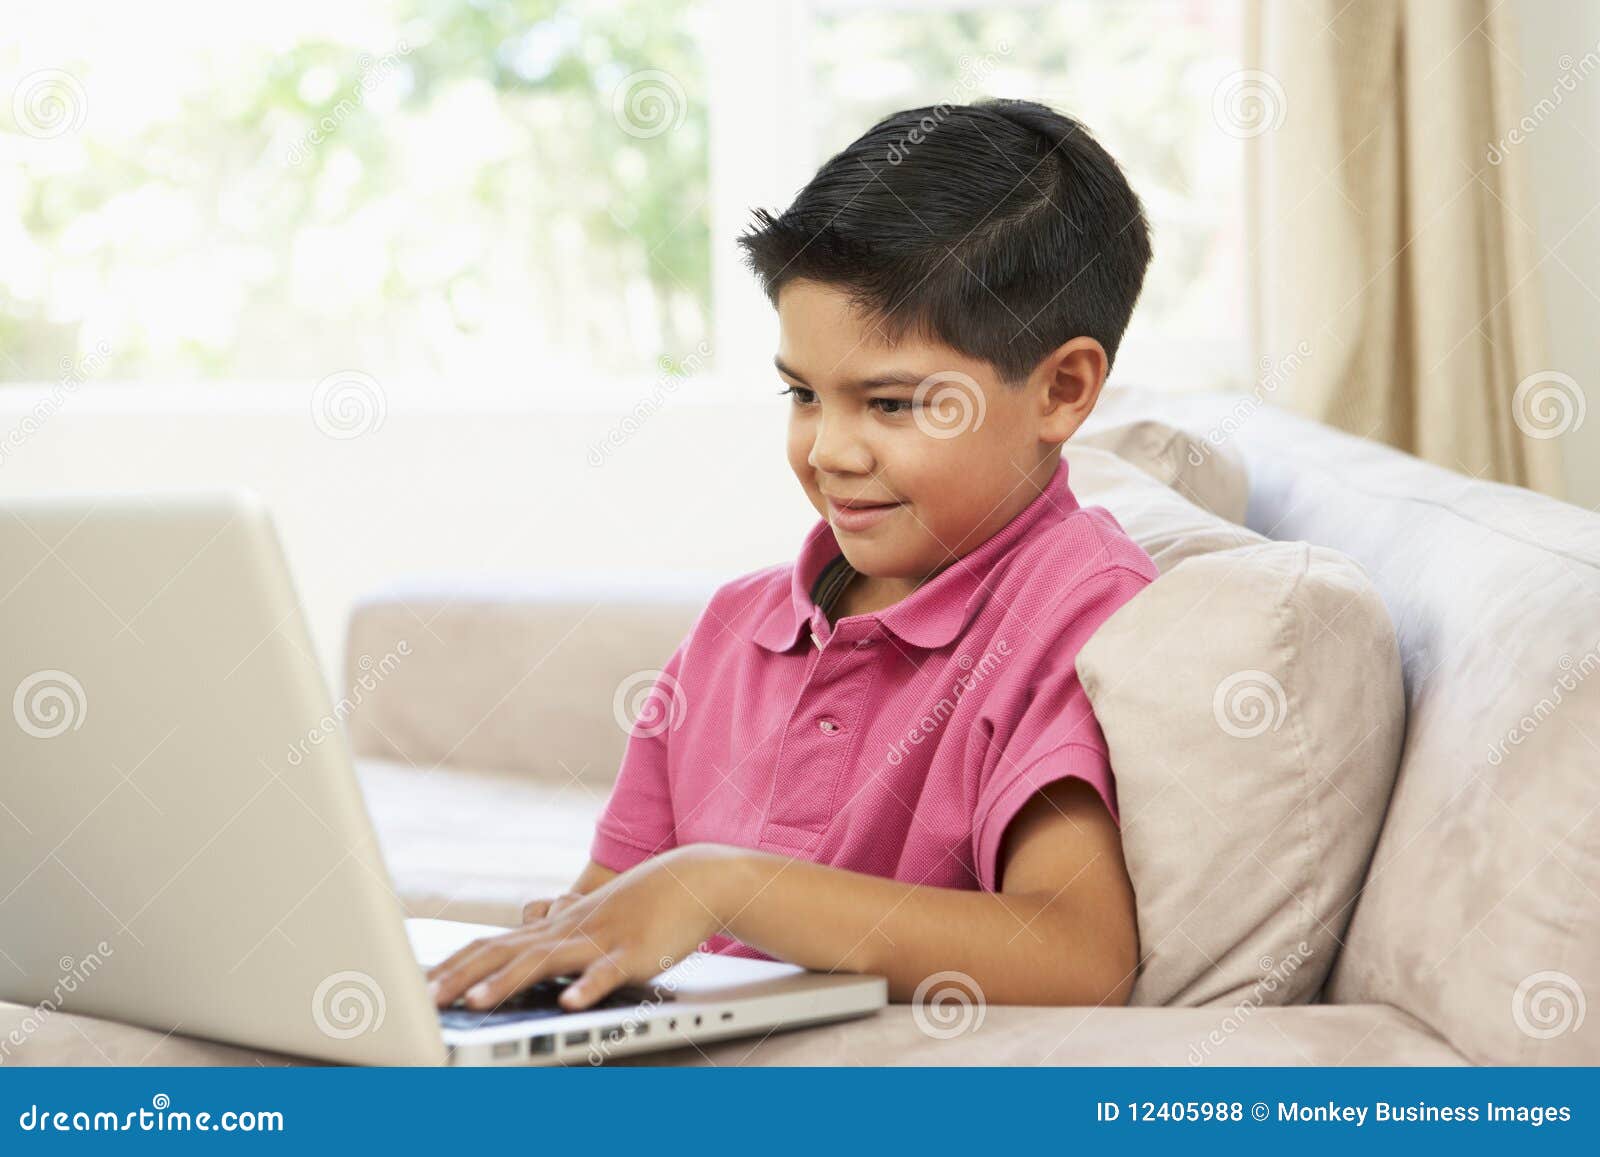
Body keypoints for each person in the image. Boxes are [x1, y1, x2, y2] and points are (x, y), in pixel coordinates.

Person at [429, 98, 1157, 1013]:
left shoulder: (1076, 607)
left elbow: (1077, 955)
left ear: (1062, 388)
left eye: (889, 403)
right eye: (803, 393)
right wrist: (559, 950)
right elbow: (605, 901)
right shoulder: (735, 628)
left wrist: (727, 885)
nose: (828, 450)